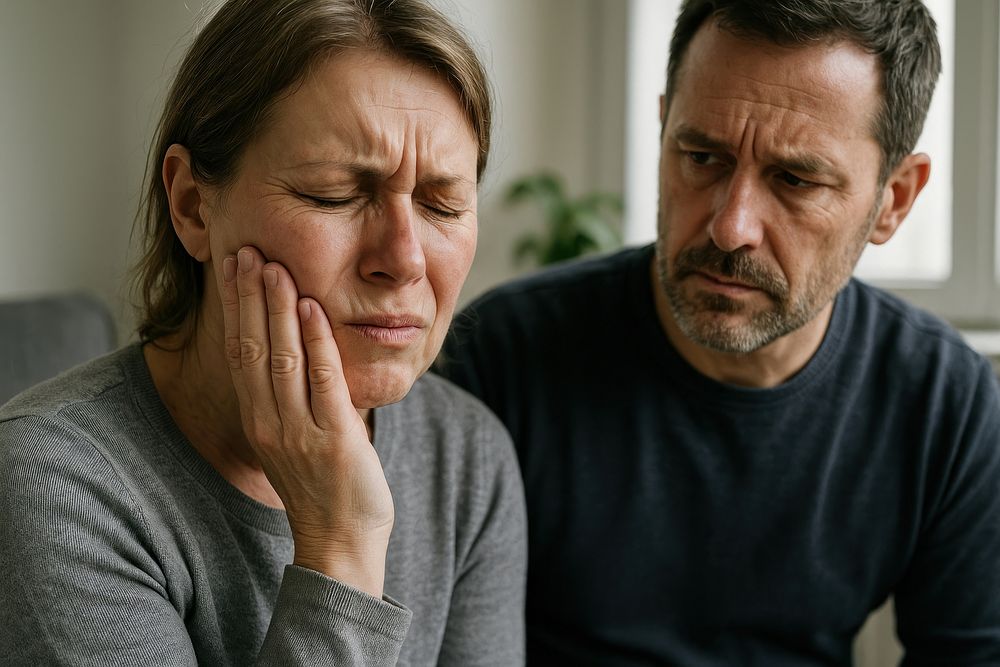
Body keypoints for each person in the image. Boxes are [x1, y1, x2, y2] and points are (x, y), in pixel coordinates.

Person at [438, 0, 1000, 664]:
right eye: (702, 156)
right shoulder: (505, 356)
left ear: (894, 200)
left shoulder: (944, 401)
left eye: (796, 179)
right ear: (661, 129)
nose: (731, 226)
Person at [0, 0, 526, 664]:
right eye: (334, 194)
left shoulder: (468, 458)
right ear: (192, 205)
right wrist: (342, 546)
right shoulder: (54, 481)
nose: (405, 258)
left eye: (441, 203)